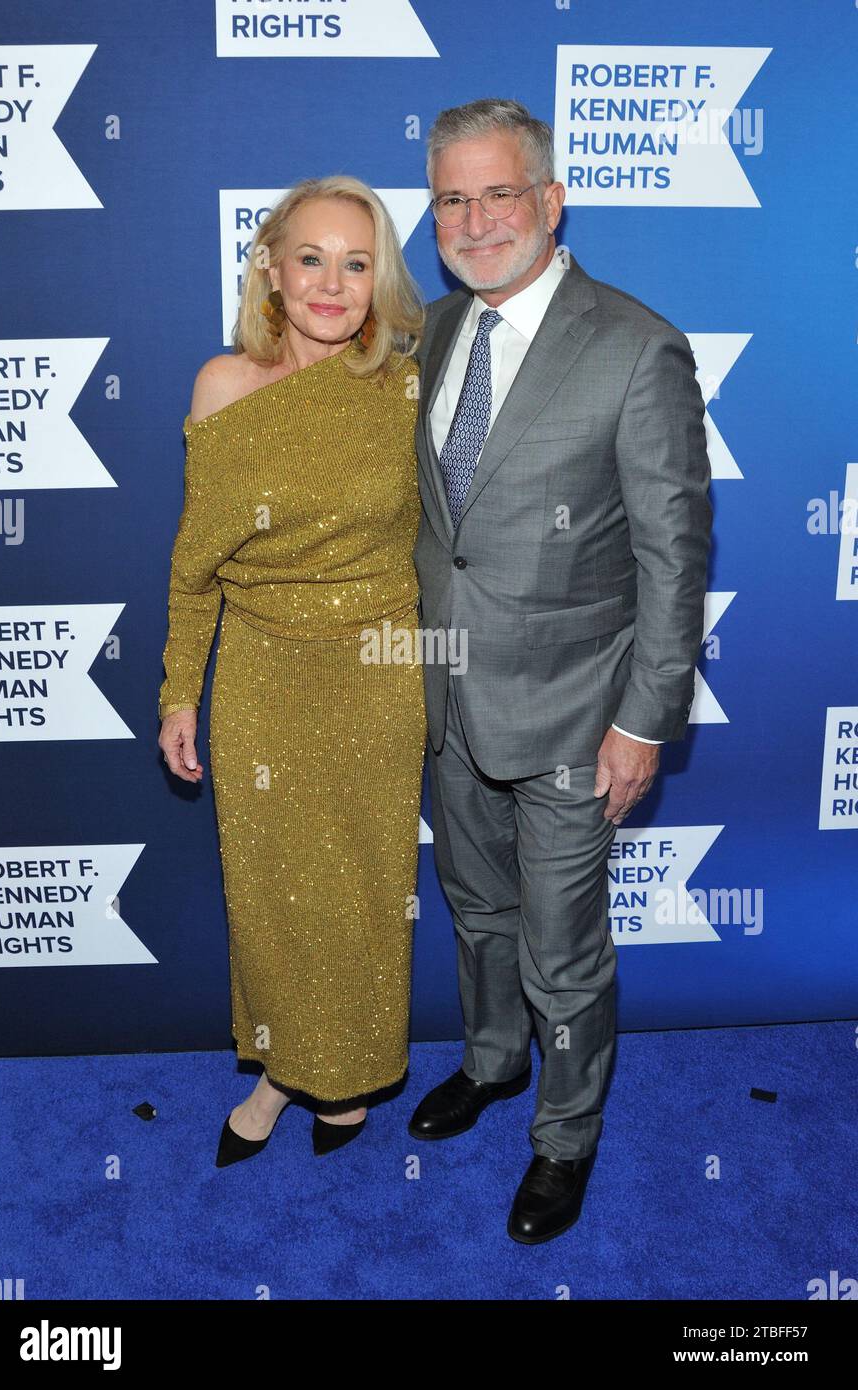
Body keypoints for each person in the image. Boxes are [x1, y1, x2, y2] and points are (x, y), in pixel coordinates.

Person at [408, 99, 713, 1242]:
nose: (476, 219)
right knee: (476, 912)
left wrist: (645, 724)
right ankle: (490, 1063)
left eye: (499, 193)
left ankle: (565, 1135)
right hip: (451, 705)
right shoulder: (436, 334)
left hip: (585, 719)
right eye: (452, 198)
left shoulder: (637, 345)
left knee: (562, 947)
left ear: (550, 198)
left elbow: (673, 558)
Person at [157, 176, 426, 1165]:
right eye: (310, 258)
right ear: (270, 266)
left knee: (362, 895)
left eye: (357, 264)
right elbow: (196, 566)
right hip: (265, 675)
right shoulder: (222, 385)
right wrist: (180, 687)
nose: (331, 284)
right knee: (275, 898)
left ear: (379, 278)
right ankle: (283, 1069)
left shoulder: (404, 382)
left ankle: (339, 1076)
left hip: (379, 672)